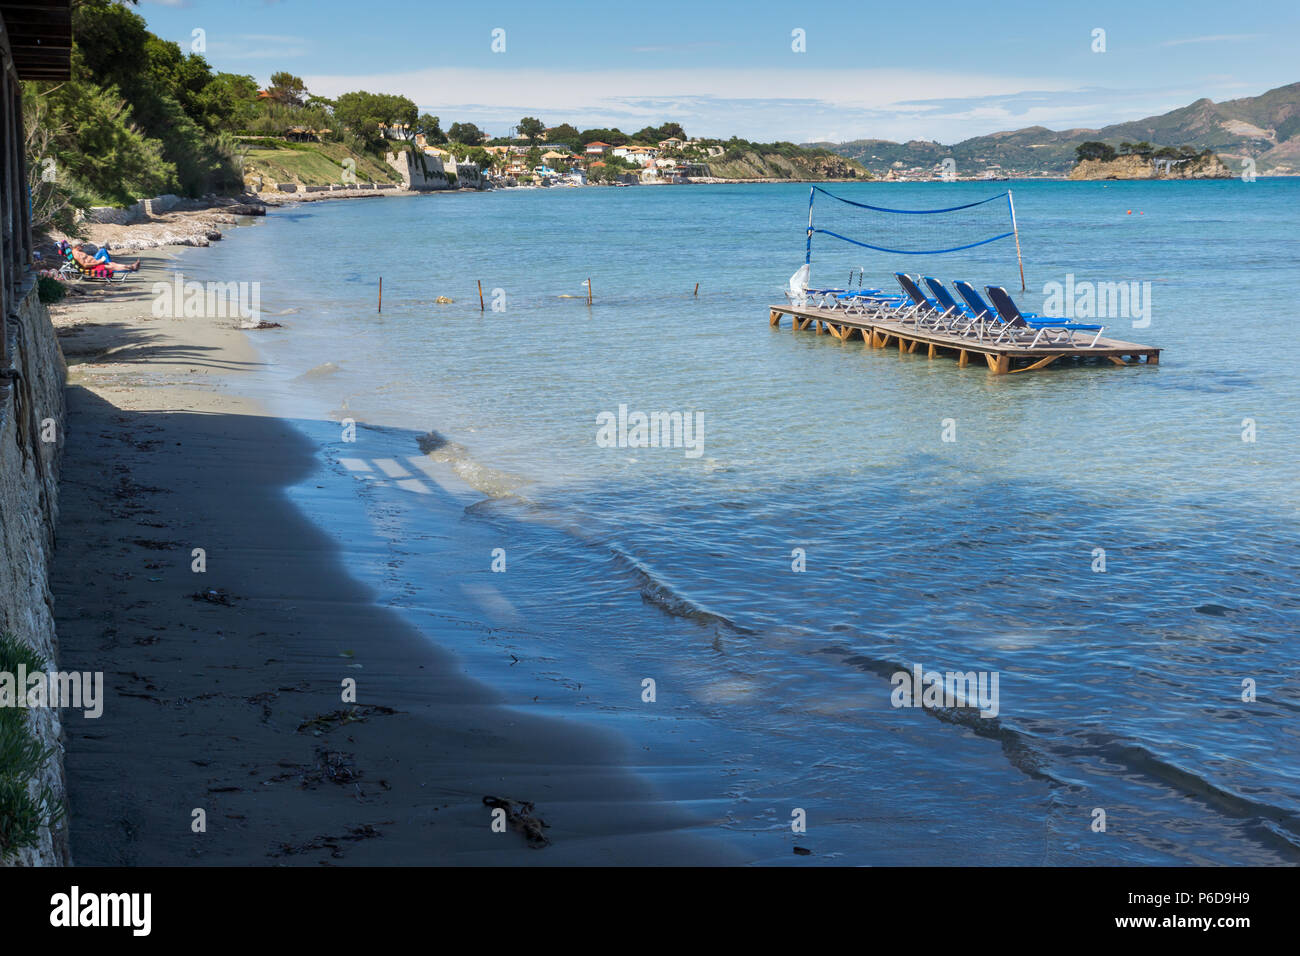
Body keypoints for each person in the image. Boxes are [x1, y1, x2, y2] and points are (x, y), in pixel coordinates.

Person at [71, 243, 139, 274]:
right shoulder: (77, 255)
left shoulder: (78, 251)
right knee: (111, 266)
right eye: (81, 245)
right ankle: (131, 267)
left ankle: (131, 267)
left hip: (95, 263)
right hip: (94, 265)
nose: (83, 246)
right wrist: (98, 262)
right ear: (77, 246)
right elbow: (84, 265)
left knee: (112, 264)